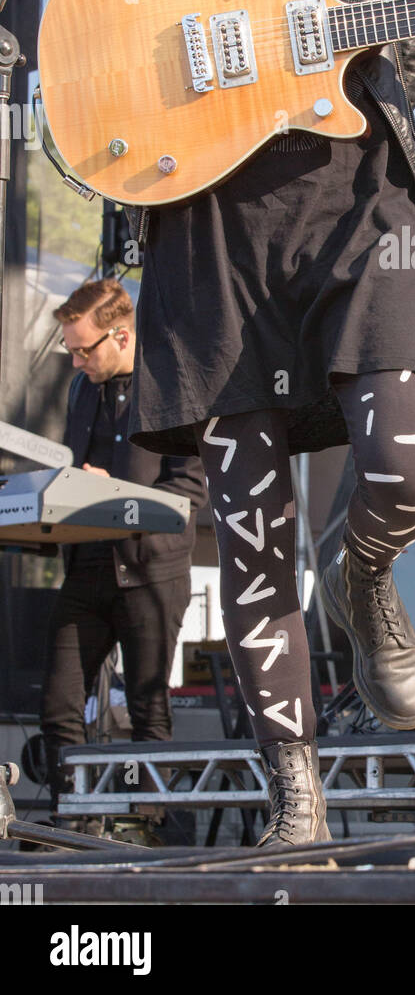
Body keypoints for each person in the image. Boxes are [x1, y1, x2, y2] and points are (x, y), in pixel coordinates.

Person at [93, 0, 415, 846]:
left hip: (359, 212)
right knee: (246, 530)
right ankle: (295, 797)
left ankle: (365, 579)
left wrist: (311, 42)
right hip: (214, 241)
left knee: (402, 459)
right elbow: (104, 75)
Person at [41, 279, 206, 827]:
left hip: (151, 570)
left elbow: (188, 493)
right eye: (70, 350)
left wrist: (113, 492)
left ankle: (145, 828)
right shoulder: (83, 390)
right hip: (88, 566)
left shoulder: (174, 386)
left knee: (148, 710)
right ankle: (72, 820)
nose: (76, 362)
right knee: (59, 706)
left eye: (84, 350)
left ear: (122, 335)